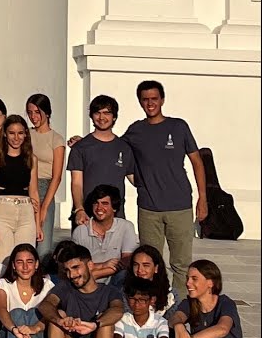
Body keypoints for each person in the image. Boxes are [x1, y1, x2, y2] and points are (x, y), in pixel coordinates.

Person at [123, 80, 208, 300]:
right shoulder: (135, 130)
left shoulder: (178, 127)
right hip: (149, 208)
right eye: (145, 99)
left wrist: (203, 198)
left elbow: (197, 162)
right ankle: (154, 305)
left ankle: (180, 309)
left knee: (181, 264)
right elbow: (112, 147)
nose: (150, 103)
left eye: (154, 98)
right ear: (140, 101)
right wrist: (83, 142)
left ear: (162, 99)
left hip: (179, 206)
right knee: (148, 263)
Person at [67, 94, 135, 224]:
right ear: (92, 116)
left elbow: (135, 179)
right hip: (86, 216)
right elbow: (76, 183)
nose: (102, 117)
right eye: (97, 113)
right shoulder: (80, 148)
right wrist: (79, 209)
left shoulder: (124, 147)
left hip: (116, 217)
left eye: (107, 113)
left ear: (114, 117)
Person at [0, 114, 40, 264]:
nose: (16, 138)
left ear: (25, 134)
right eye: (12, 133)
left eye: (20, 133)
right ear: (4, 134)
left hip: (26, 212)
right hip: (2, 211)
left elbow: (33, 191)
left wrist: (38, 224)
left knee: (26, 258)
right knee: (3, 259)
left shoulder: (31, 158)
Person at [71, 184, 137, 286]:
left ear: (114, 208)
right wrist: (103, 266)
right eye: (96, 203)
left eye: (105, 203)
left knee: (125, 275)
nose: (99, 208)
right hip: (86, 283)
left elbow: (127, 261)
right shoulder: (80, 231)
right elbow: (76, 266)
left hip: (114, 280)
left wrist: (98, 272)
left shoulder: (126, 227)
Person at [26, 94, 66, 252]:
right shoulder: (26, 134)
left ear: (47, 113)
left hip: (45, 189)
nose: (33, 117)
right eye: (30, 112)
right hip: (26, 187)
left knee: (43, 246)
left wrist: (44, 208)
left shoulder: (56, 139)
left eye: (37, 112)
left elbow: (57, 177)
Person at [127, 244, 172, 315]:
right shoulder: (122, 291)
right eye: (136, 265)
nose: (139, 270)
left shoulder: (170, 295)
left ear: (156, 268)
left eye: (145, 265)